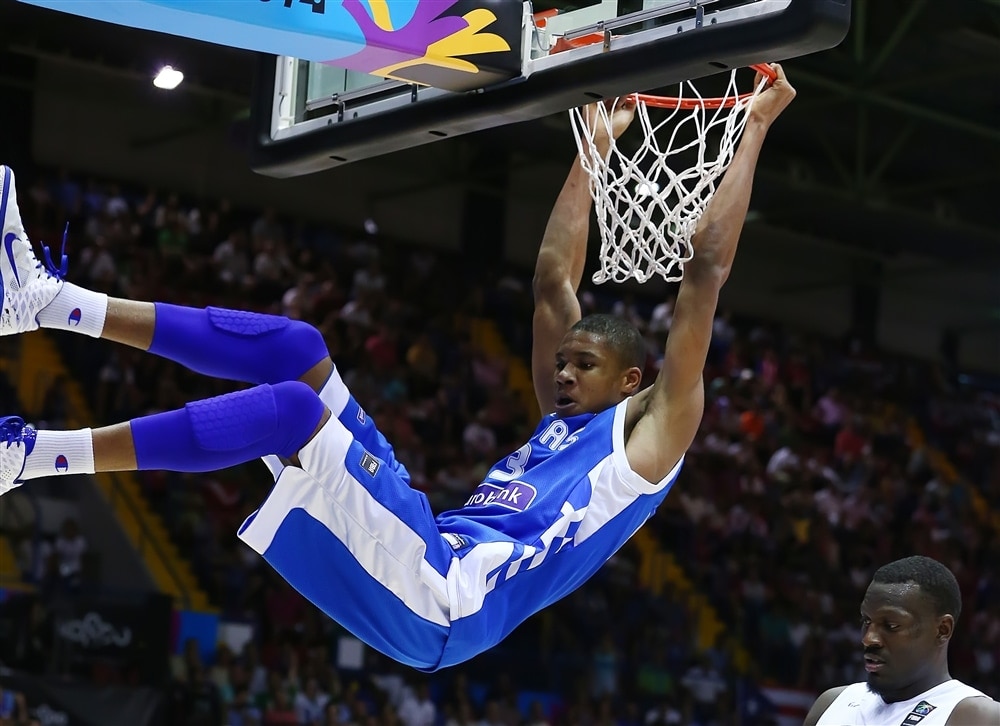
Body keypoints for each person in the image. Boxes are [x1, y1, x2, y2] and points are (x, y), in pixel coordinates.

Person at [0, 64, 796, 671]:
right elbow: (553, 277)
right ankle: (46, 302)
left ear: (632, 381)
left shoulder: (653, 438)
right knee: (297, 350)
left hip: (442, 600)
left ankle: (34, 457)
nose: (559, 374)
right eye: (561, 361)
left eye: (580, 364)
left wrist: (754, 124)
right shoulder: (560, 419)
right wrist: (595, 148)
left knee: (290, 411)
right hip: (426, 545)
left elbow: (705, 271)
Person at [803, 556, 999, 725]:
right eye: (866, 621)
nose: (868, 639)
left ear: (942, 630)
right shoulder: (831, 703)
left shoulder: (977, 716)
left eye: (891, 626)